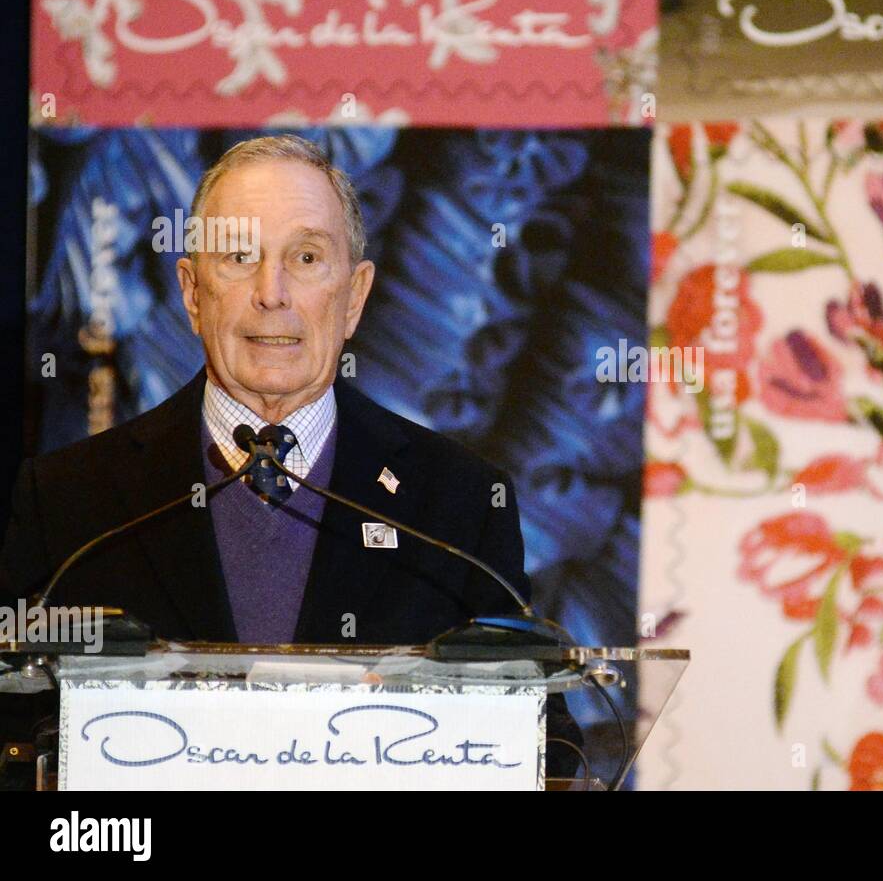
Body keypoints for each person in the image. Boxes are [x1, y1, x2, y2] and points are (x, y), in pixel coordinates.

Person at [0, 134, 582, 786]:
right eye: (239, 256)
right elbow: (15, 738)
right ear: (192, 291)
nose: (271, 292)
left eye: (306, 257)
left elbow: (544, 746)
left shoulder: (459, 505)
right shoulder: (69, 500)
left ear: (355, 296)